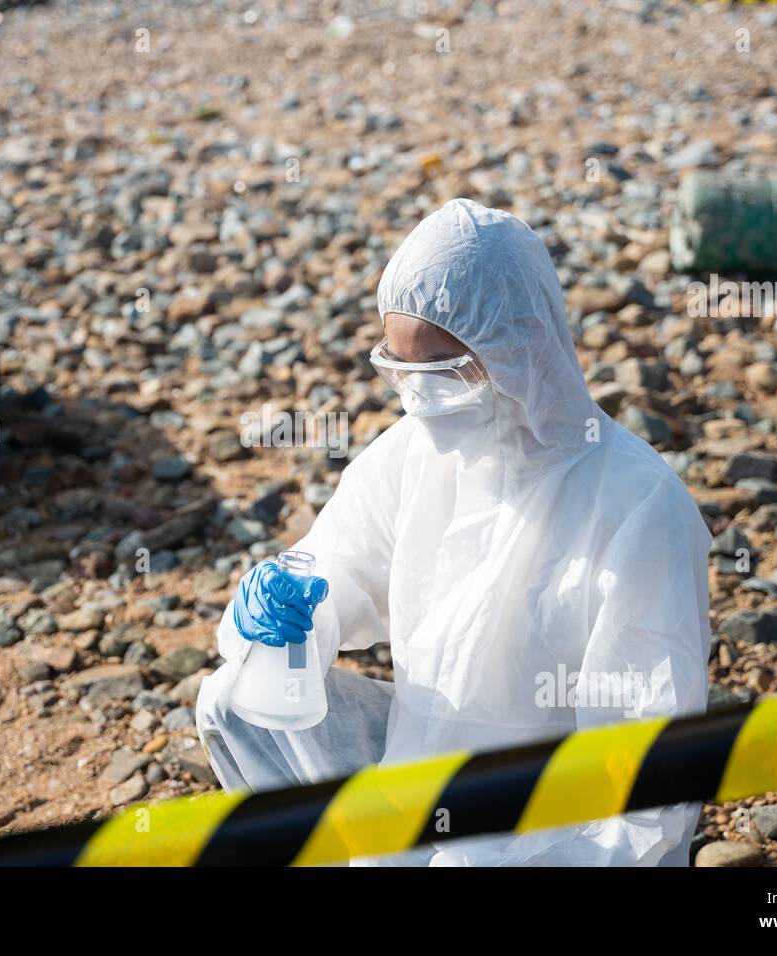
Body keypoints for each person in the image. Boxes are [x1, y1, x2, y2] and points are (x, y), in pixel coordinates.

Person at [196, 198, 712, 866]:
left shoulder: (635, 506)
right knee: (235, 699)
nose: (417, 398)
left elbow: (646, 772)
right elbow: (341, 564)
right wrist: (295, 614)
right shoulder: (414, 453)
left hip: (550, 825)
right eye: (400, 370)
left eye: (440, 372)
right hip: (423, 776)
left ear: (516, 349)